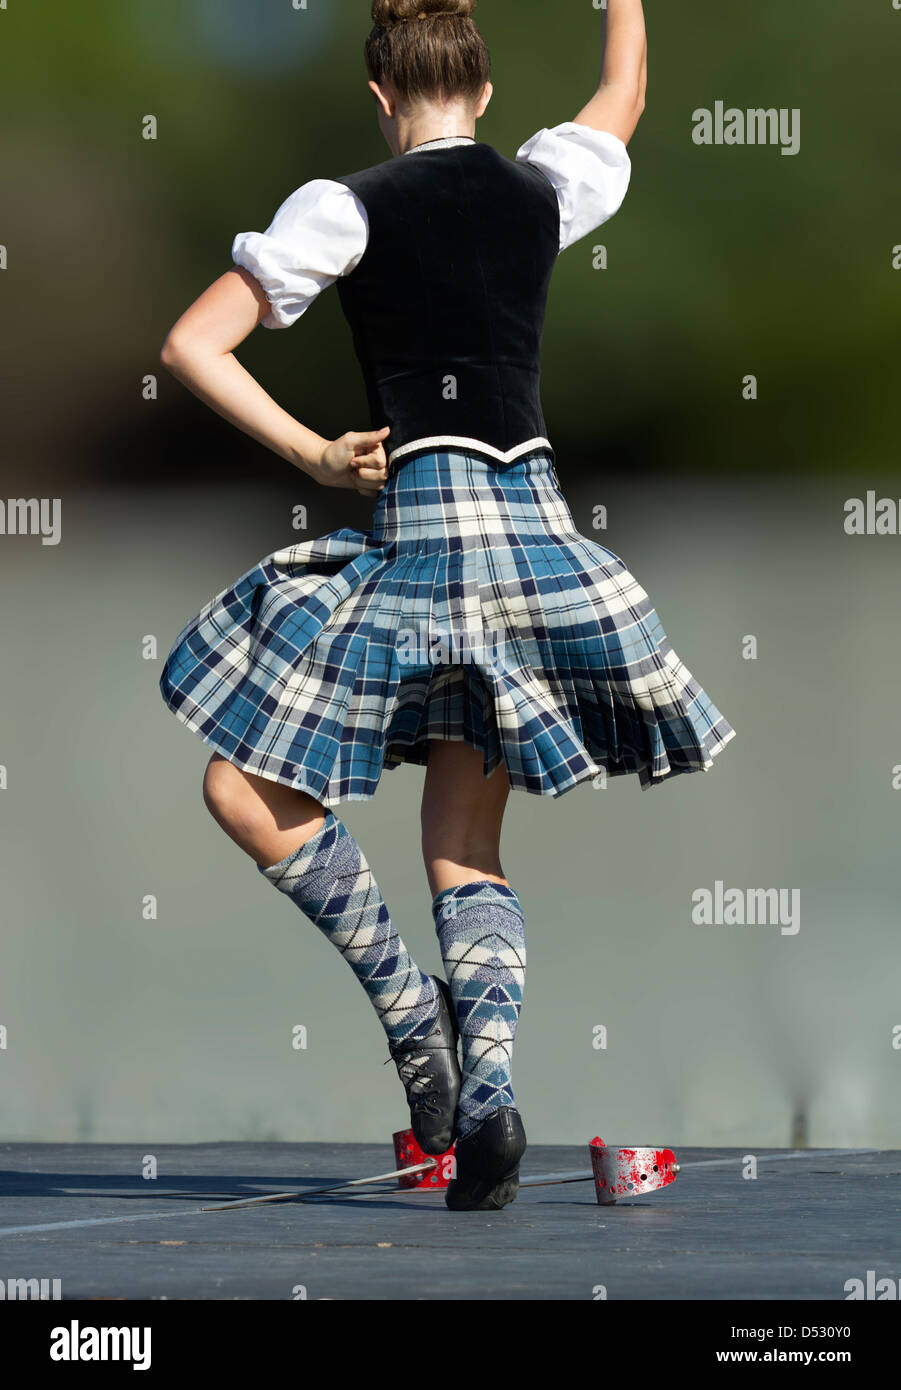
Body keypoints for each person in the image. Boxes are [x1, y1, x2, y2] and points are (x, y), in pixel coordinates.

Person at [158, 0, 734, 1211]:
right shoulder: (544, 188)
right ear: (482, 87)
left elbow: (193, 347)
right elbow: (621, 94)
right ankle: (485, 1097)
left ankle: (412, 1017)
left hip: (420, 539)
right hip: (534, 543)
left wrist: (317, 456)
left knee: (236, 786)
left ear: (380, 93)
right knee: (465, 848)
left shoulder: (346, 206)